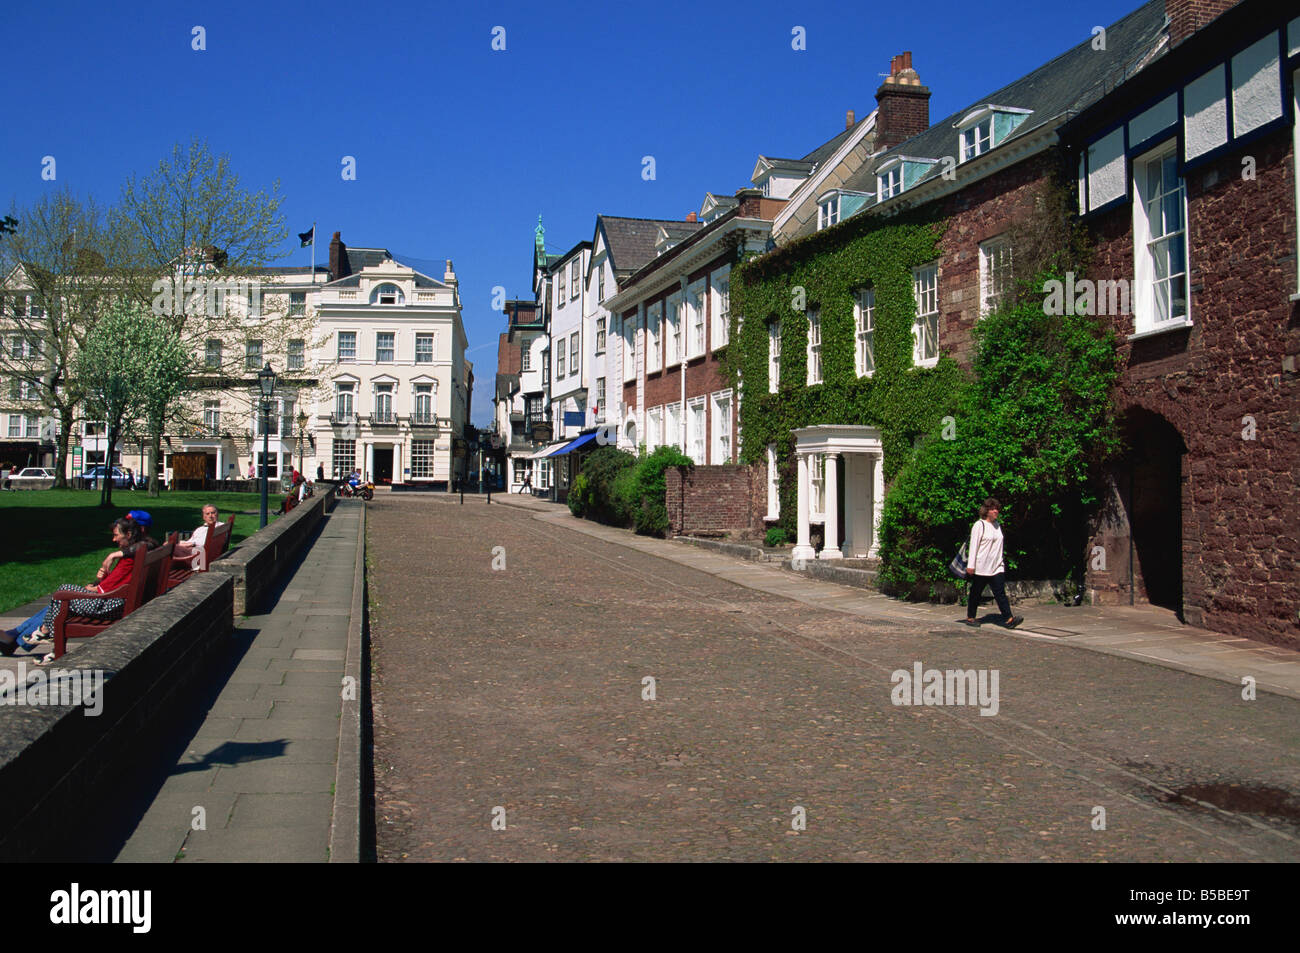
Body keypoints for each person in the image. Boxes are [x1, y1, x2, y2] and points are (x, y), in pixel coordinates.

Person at [1, 515, 150, 656]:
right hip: (117, 600)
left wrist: (110, 560)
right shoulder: (137, 551)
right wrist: (103, 576)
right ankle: (17, 636)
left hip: (111, 603)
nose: (114, 539)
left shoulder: (135, 552)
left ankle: (28, 636)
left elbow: (111, 586)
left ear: (131, 533)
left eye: (117, 534)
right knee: (60, 598)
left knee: (61, 599)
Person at [964, 497, 1023, 629]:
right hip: (981, 567)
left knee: (1000, 593)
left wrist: (1000, 563)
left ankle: (1009, 619)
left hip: (996, 567)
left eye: (997, 509)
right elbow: (974, 546)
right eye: (992, 509)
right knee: (976, 592)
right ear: (986, 511)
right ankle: (970, 617)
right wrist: (971, 566)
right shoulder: (979, 525)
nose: (996, 511)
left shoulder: (997, 526)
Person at [173, 504, 222, 570]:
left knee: (169, 548)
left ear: (217, 514)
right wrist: (183, 544)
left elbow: (206, 542)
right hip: (196, 554)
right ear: (204, 517)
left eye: (213, 513)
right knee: (169, 546)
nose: (210, 516)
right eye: (207, 514)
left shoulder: (219, 527)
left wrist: (193, 543)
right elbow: (191, 541)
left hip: (200, 559)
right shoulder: (200, 529)